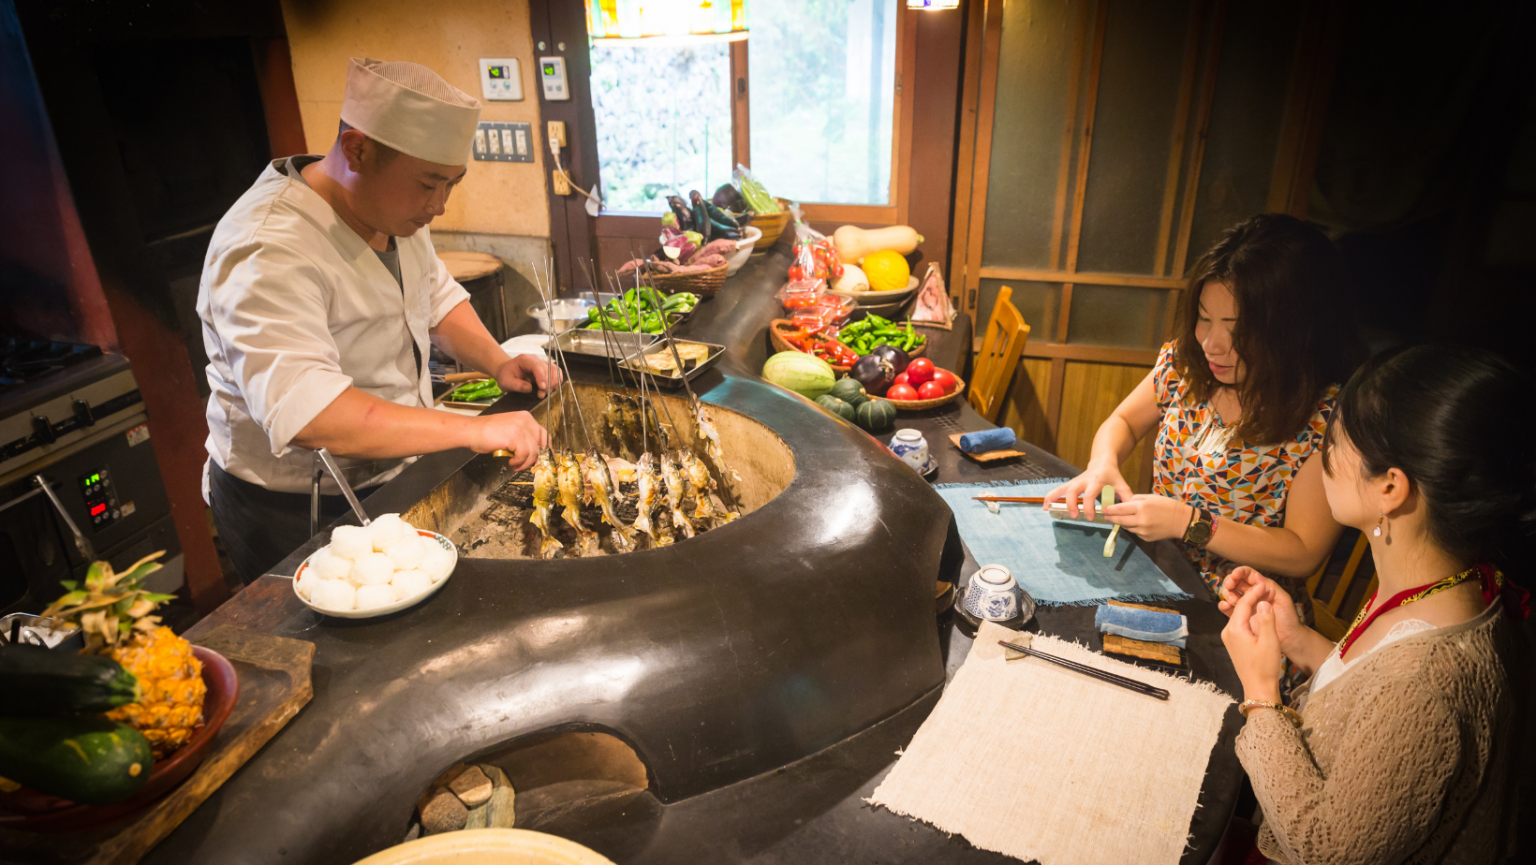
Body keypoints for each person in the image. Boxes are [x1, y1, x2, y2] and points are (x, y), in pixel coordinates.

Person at [199, 58, 558, 583]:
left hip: (394, 471)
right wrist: (472, 430)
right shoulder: (267, 245)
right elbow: (311, 414)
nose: (439, 205)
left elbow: (432, 297)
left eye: (451, 185)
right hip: (294, 507)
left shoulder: (395, 211)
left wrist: (498, 363)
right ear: (356, 150)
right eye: (428, 184)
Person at [1220, 344, 1530, 865]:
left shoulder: (1427, 682)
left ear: (1390, 486)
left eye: (1335, 442)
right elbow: (1369, 696)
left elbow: (1326, 850)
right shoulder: (1443, 583)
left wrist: (1262, 695)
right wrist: (1303, 643)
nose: (1321, 457)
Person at [1045, 214, 1365, 615]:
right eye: (1204, 318)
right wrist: (1101, 465)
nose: (1211, 344)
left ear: (1294, 329)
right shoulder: (1186, 365)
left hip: (1242, 614)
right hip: (1156, 578)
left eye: (1236, 328)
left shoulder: (1322, 417)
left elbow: (1302, 551)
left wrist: (1189, 522)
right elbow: (1123, 422)